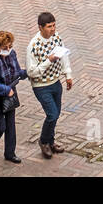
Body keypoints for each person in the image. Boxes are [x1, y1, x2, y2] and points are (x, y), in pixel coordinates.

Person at [25, 11, 73, 160]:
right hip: (41, 85)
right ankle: (44, 141)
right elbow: (31, 72)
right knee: (52, 114)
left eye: (54, 25)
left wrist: (68, 74)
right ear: (40, 27)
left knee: (56, 114)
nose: (52, 29)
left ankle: (51, 141)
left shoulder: (57, 38)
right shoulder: (33, 46)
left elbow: (64, 55)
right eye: (49, 26)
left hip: (55, 82)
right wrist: (49, 60)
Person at [0, 30, 29, 164]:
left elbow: (17, 72)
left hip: (10, 92)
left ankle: (10, 153)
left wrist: (29, 73)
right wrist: (5, 89)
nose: (8, 49)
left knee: (11, 124)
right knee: (0, 127)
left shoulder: (12, 54)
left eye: (10, 46)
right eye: (5, 48)